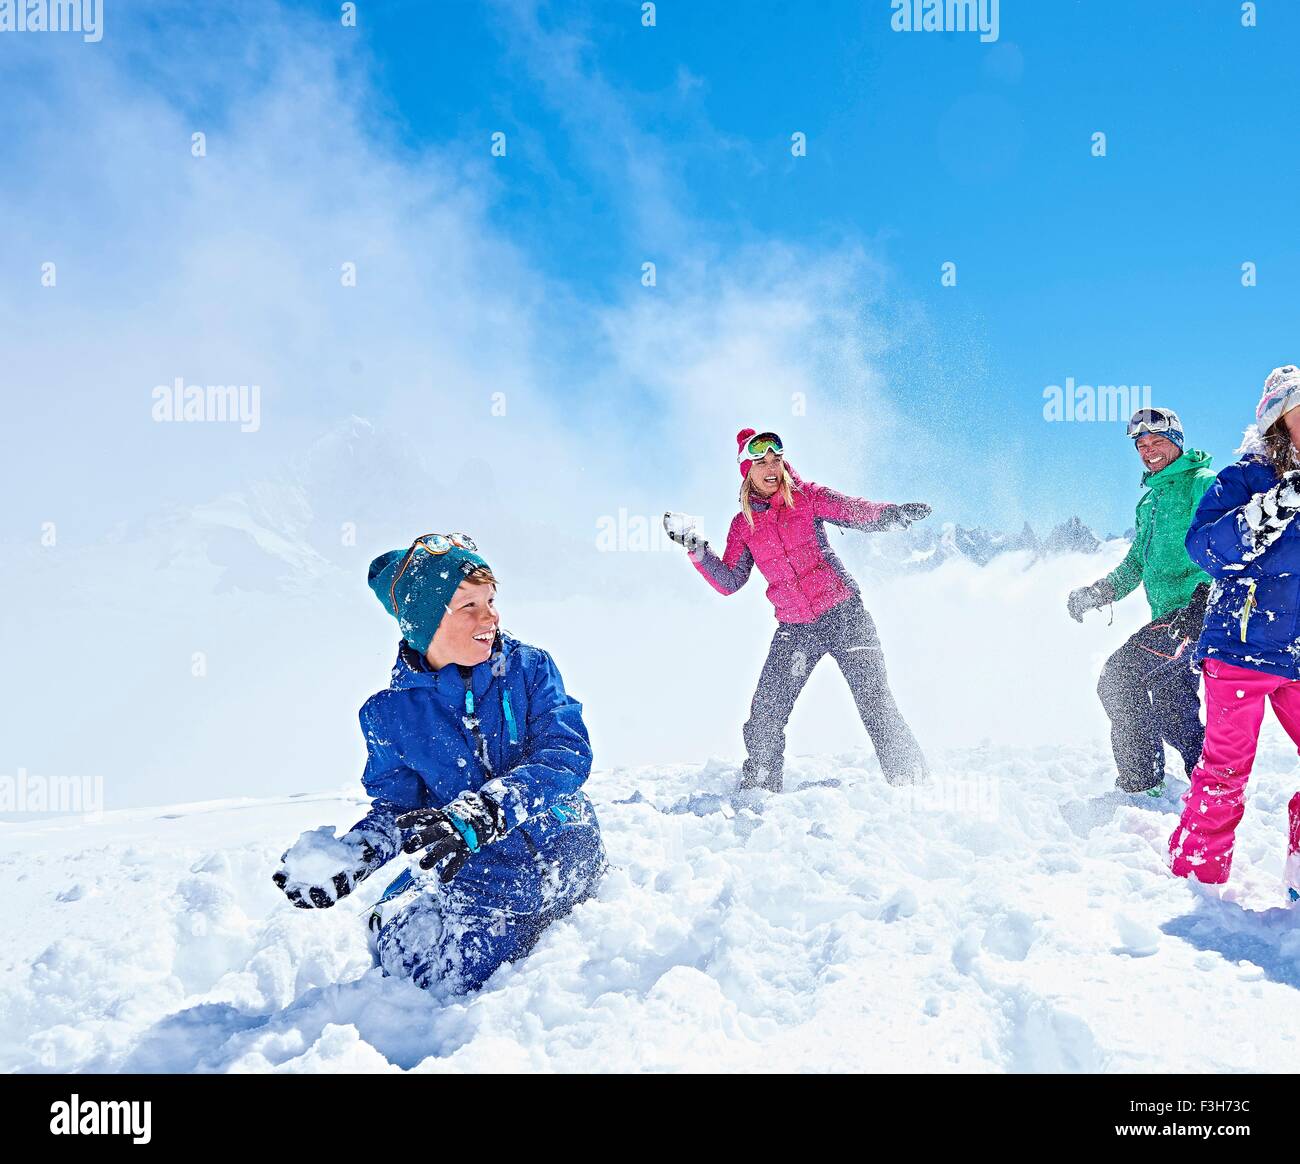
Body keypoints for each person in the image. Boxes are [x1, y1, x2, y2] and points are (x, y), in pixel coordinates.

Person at [272, 532, 605, 993]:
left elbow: (564, 754)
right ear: (425, 623)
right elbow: (398, 807)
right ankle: (398, 907)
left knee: (449, 976)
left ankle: (416, 898)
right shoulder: (390, 715)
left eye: (491, 600)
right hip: (483, 875)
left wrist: (490, 810)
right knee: (414, 967)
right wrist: (355, 855)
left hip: (567, 847)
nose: (490, 616)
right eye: (468, 606)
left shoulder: (529, 669)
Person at [664, 428, 931, 793]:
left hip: (844, 615)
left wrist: (890, 514)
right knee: (765, 715)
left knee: (876, 702)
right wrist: (695, 546)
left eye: (776, 459)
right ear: (747, 470)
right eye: (761, 461)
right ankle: (759, 790)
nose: (771, 467)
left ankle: (915, 786)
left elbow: (853, 509)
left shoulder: (807, 498)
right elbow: (729, 581)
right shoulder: (744, 525)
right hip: (796, 629)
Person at [1170, 366, 1300, 899]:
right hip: (1241, 650)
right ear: (1278, 422)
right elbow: (1203, 549)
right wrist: (1267, 512)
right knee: (1226, 770)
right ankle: (1197, 877)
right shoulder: (1243, 479)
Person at [1066, 407, 1215, 796]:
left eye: (1159, 441)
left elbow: (1231, 542)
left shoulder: (1202, 483)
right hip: (1172, 617)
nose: (1149, 450)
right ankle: (1211, 781)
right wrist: (1099, 592)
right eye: (1142, 444)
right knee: (1172, 708)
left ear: (1177, 443)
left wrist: (1207, 597)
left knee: (1118, 679)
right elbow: (1136, 563)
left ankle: (1140, 782)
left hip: (1196, 612)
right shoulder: (1150, 502)